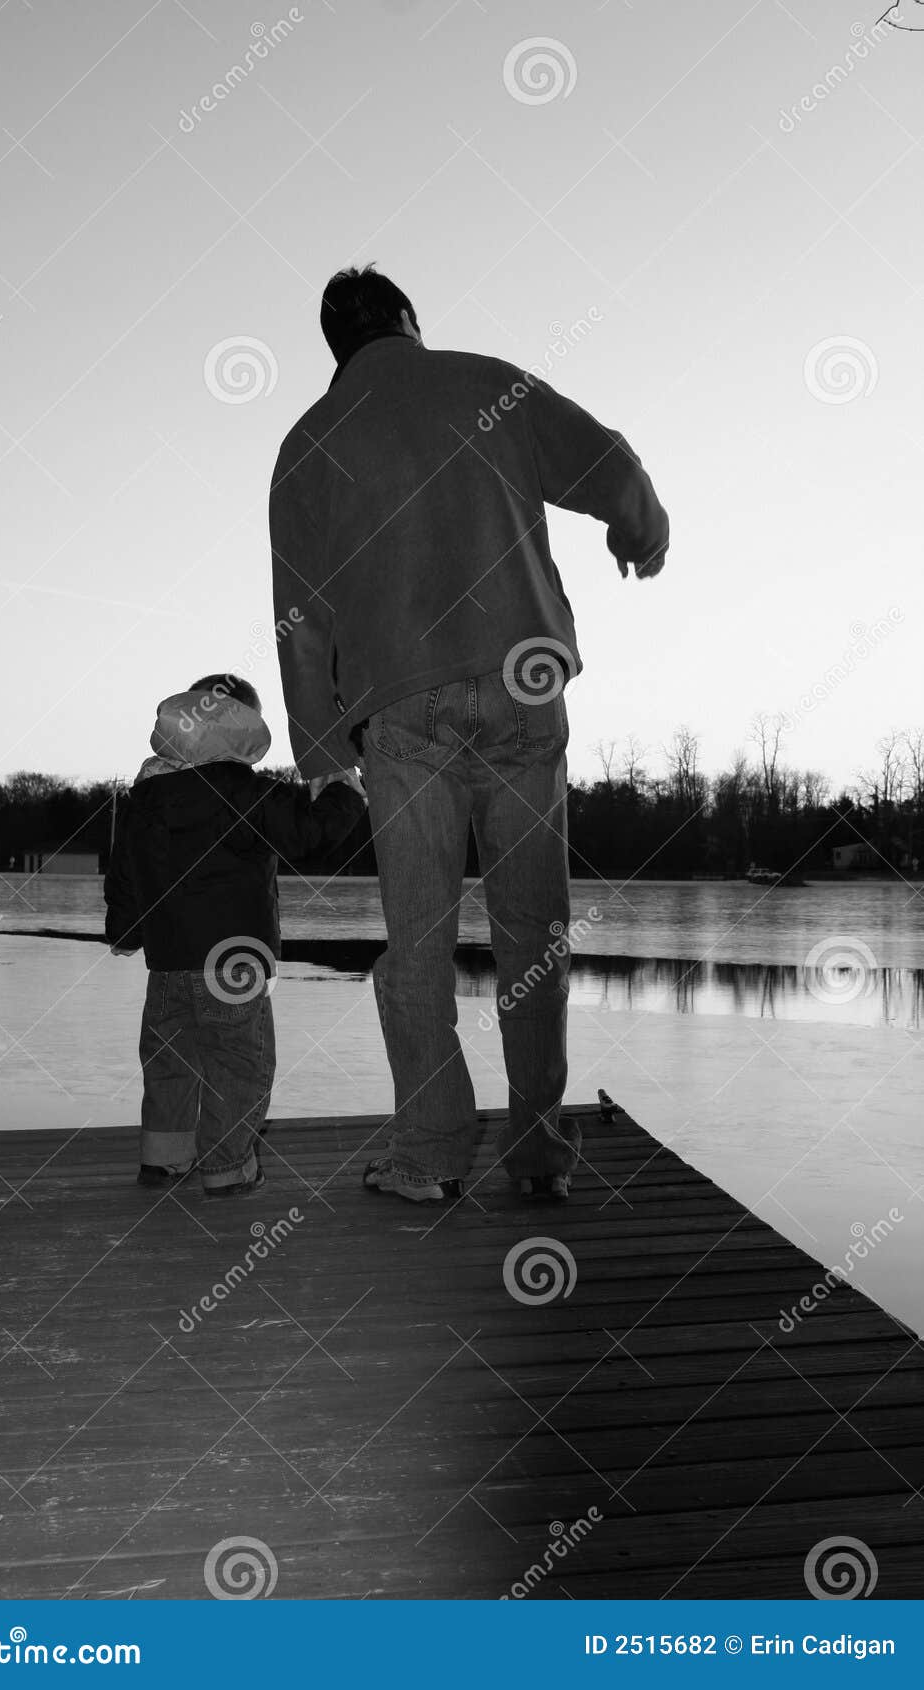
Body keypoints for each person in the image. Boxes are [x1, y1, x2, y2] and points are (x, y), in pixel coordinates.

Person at [269, 265, 669, 1206]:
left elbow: (300, 618)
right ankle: (537, 1155)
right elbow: (607, 460)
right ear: (408, 320)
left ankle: (431, 1158)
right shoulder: (488, 382)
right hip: (522, 682)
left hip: (402, 711)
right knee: (534, 936)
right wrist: (639, 530)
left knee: (418, 943)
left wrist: (321, 756)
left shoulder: (306, 443)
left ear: (336, 347)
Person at [104, 673, 366, 1196]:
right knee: (238, 1063)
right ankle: (226, 1167)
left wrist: (125, 931)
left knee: (169, 1063)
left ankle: (163, 1160)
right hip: (234, 962)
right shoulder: (244, 791)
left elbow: (124, 874)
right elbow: (308, 836)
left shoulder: (144, 797)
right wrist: (344, 792)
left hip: (168, 963)